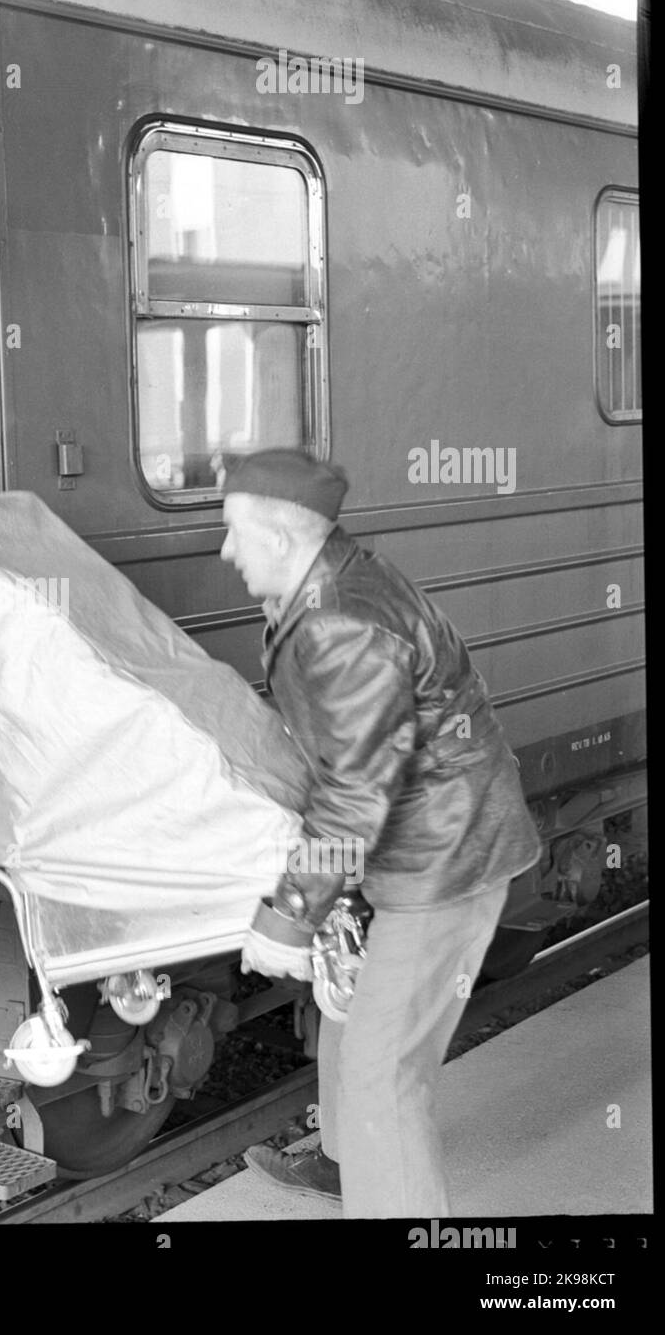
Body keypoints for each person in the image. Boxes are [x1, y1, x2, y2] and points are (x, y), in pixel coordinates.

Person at [222, 448, 541, 1218]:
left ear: (284, 539)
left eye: (235, 533)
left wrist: (290, 914)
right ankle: (347, 1165)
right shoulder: (325, 582)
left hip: (448, 859)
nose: (225, 551)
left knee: (382, 1068)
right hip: (425, 836)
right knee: (349, 1023)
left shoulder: (341, 619)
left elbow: (356, 788)